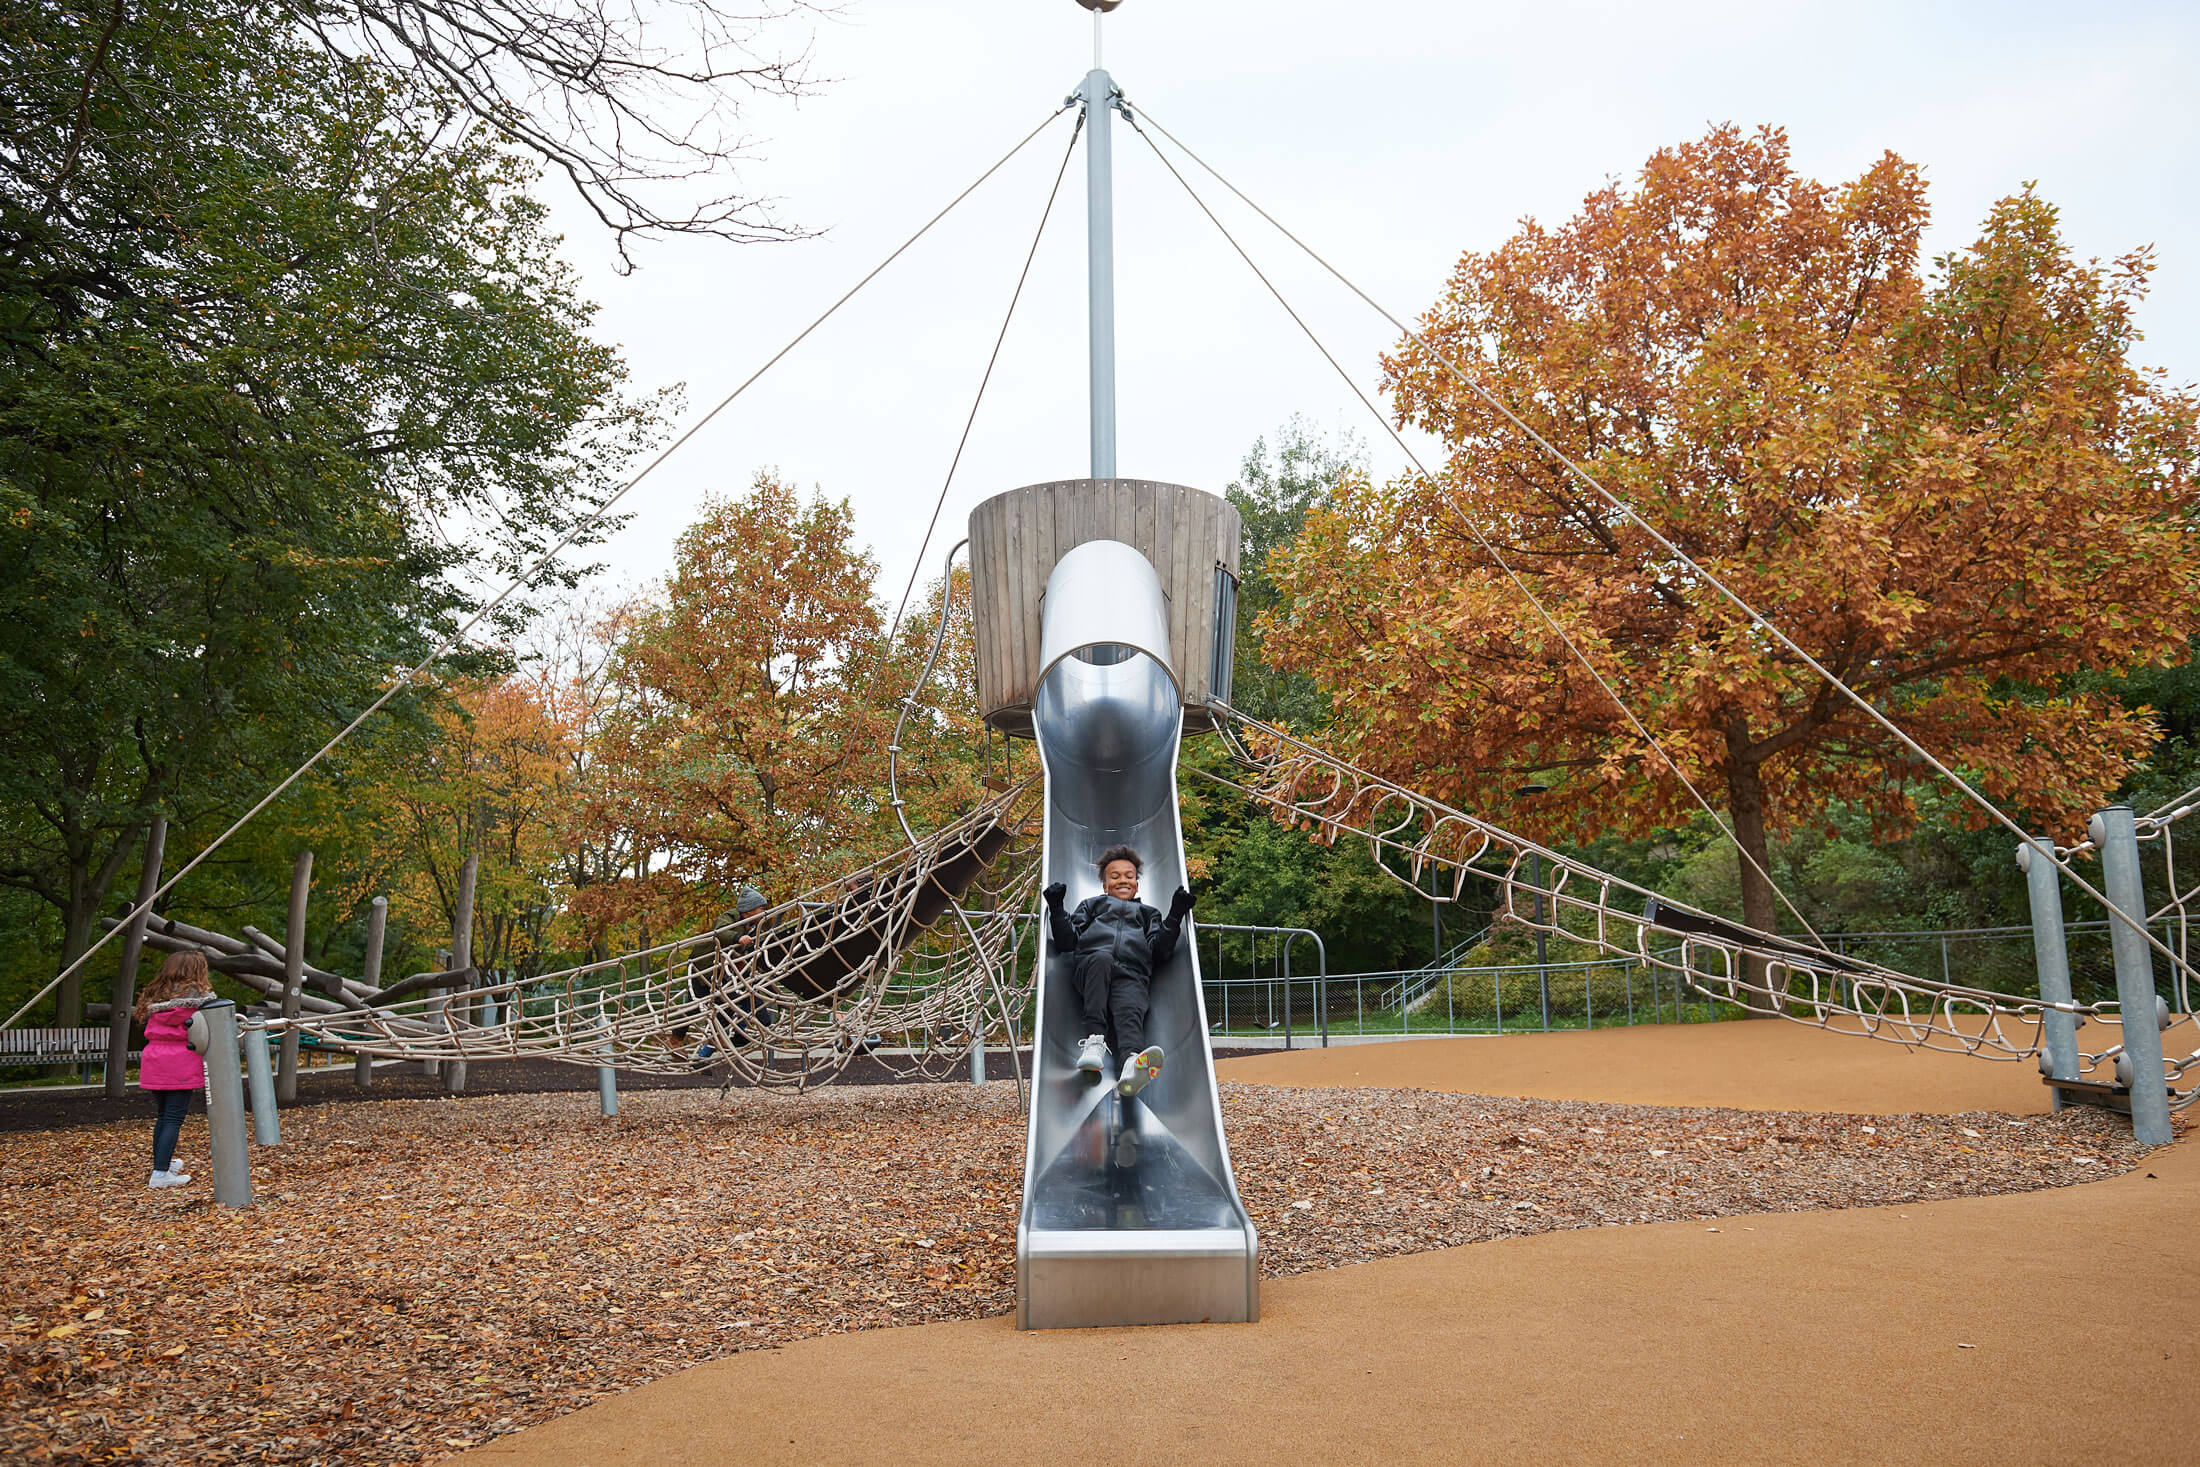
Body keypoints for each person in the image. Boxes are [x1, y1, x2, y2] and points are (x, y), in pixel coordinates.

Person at [1044, 846, 1192, 1099]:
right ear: (1104, 885)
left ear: (1137, 883)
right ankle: (1094, 1041)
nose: (1123, 880)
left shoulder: (1148, 914)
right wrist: (1057, 908)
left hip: (1132, 972)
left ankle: (1132, 1063)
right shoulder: (1092, 906)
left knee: (1131, 1005)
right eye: (1115, 876)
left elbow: (1161, 950)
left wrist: (1175, 914)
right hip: (1092, 968)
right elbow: (1067, 941)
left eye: (1130, 875)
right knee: (1101, 958)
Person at [134, 951, 217, 1189]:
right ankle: (160, 1174)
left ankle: (163, 1162)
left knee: (163, 1115)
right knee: (173, 1117)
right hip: (180, 1057)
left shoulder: (155, 997)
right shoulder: (201, 999)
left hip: (154, 1057)